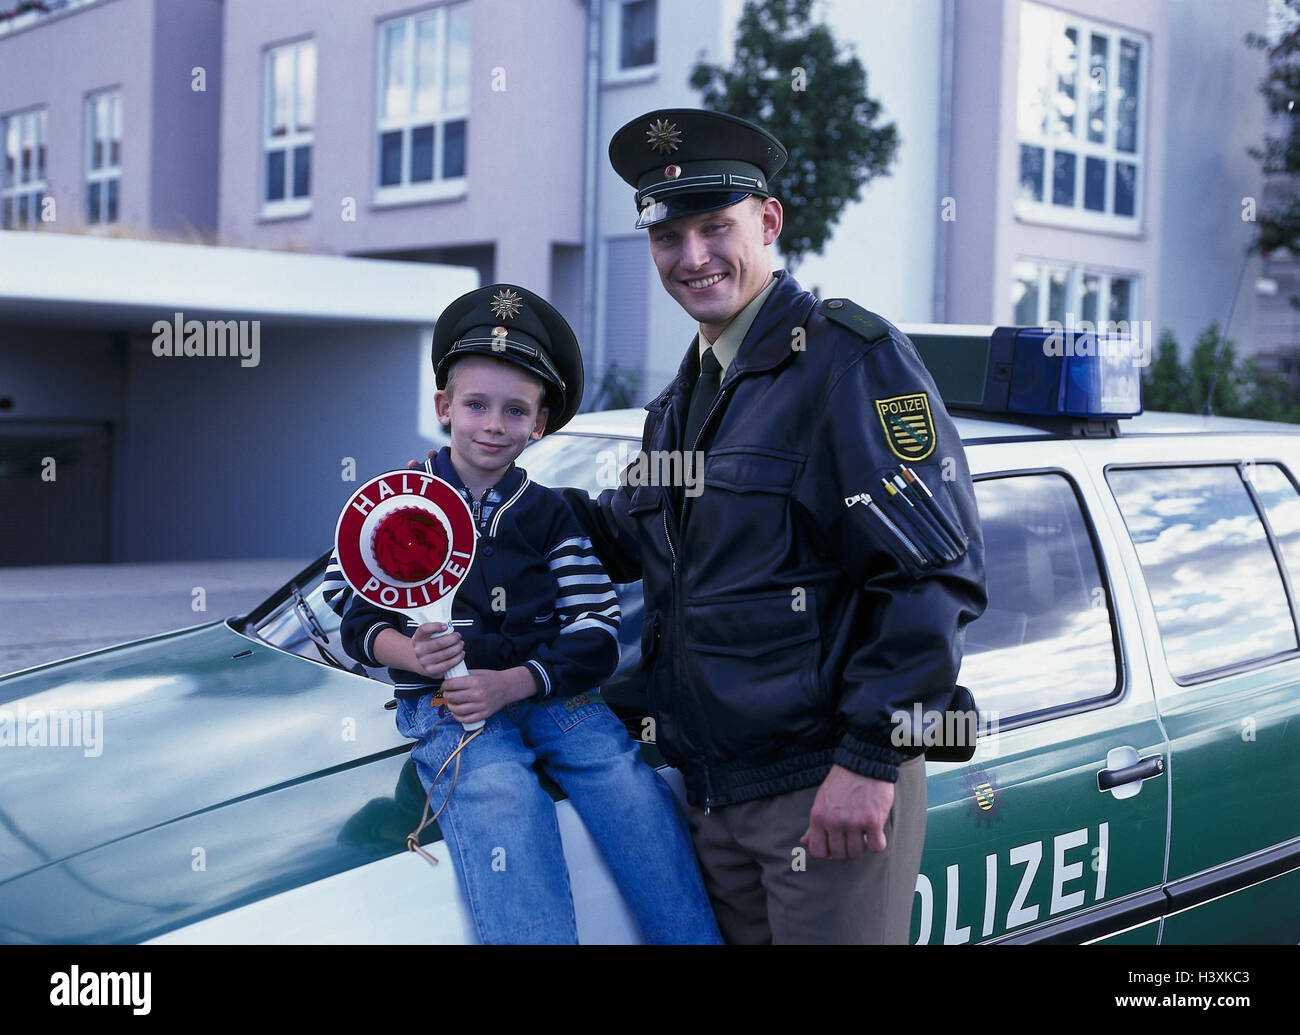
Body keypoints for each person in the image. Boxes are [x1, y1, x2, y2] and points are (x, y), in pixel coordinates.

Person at [558, 108, 989, 944]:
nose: (692, 258)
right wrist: (476, 499)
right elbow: (618, 535)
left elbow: (932, 573)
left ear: (768, 221)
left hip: (823, 790)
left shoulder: (848, 361)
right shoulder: (683, 404)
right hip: (714, 797)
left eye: (715, 227)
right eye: (668, 237)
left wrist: (869, 760)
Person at [334, 283, 722, 945]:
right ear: (443, 406)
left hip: (554, 694)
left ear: (539, 423)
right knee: (501, 796)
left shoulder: (551, 516)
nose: (493, 424)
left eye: (515, 410)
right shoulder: (402, 503)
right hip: (448, 705)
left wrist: (515, 682)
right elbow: (358, 622)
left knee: (629, 790)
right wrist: (408, 654)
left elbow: (598, 629)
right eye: (476, 404)